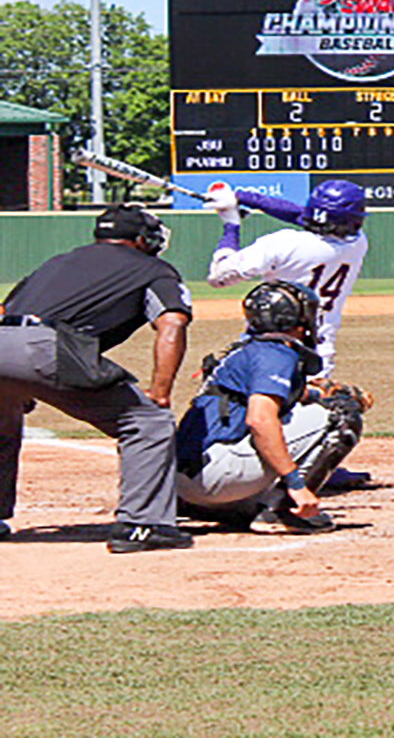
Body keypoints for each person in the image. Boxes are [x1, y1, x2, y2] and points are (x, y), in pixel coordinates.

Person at [0, 204, 195, 552]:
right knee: (146, 420)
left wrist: (16, 383)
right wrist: (161, 391)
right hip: (46, 347)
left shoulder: (58, 261)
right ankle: (143, 524)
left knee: (4, 420)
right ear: (140, 239)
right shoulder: (154, 269)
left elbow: (6, 311)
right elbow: (172, 323)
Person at [174, 281, 364, 534]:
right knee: (341, 414)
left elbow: (278, 397)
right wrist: (295, 483)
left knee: (313, 410)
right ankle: (283, 509)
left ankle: (215, 506)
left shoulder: (248, 351)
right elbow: (260, 420)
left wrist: (317, 394)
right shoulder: (275, 355)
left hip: (183, 482)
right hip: (214, 477)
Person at [205, 180, 368, 381]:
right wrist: (243, 197)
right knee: (309, 408)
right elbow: (302, 216)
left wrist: (231, 224)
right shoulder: (358, 242)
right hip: (318, 353)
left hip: (266, 349)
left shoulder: (282, 244)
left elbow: (218, 276)